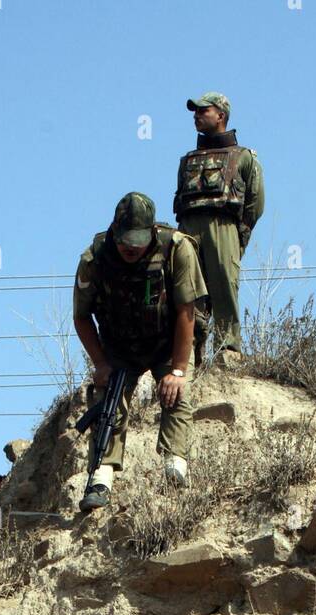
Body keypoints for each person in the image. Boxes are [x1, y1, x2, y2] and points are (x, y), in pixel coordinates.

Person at [73, 191, 208, 508]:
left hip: (167, 339)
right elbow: (81, 317)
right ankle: (101, 478)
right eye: (124, 240)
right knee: (109, 402)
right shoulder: (95, 258)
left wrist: (177, 370)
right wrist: (101, 363)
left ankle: (175, 468)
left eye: (137, 240)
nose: (129, 248)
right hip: (120, 346)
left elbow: (187, 310)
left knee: (177, 394)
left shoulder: (177, 249)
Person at [174, 91, 265, 365]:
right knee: (188, 289)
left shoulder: (244, 157)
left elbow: (255, 202)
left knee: (224, 285)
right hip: (189, 228)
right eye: (195, 112)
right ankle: (189, 352)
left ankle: (227, 349)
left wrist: (240, 236)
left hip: (223, 226)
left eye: (203, 111)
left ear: (221, 116)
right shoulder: (187, 159)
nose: (197, 116)